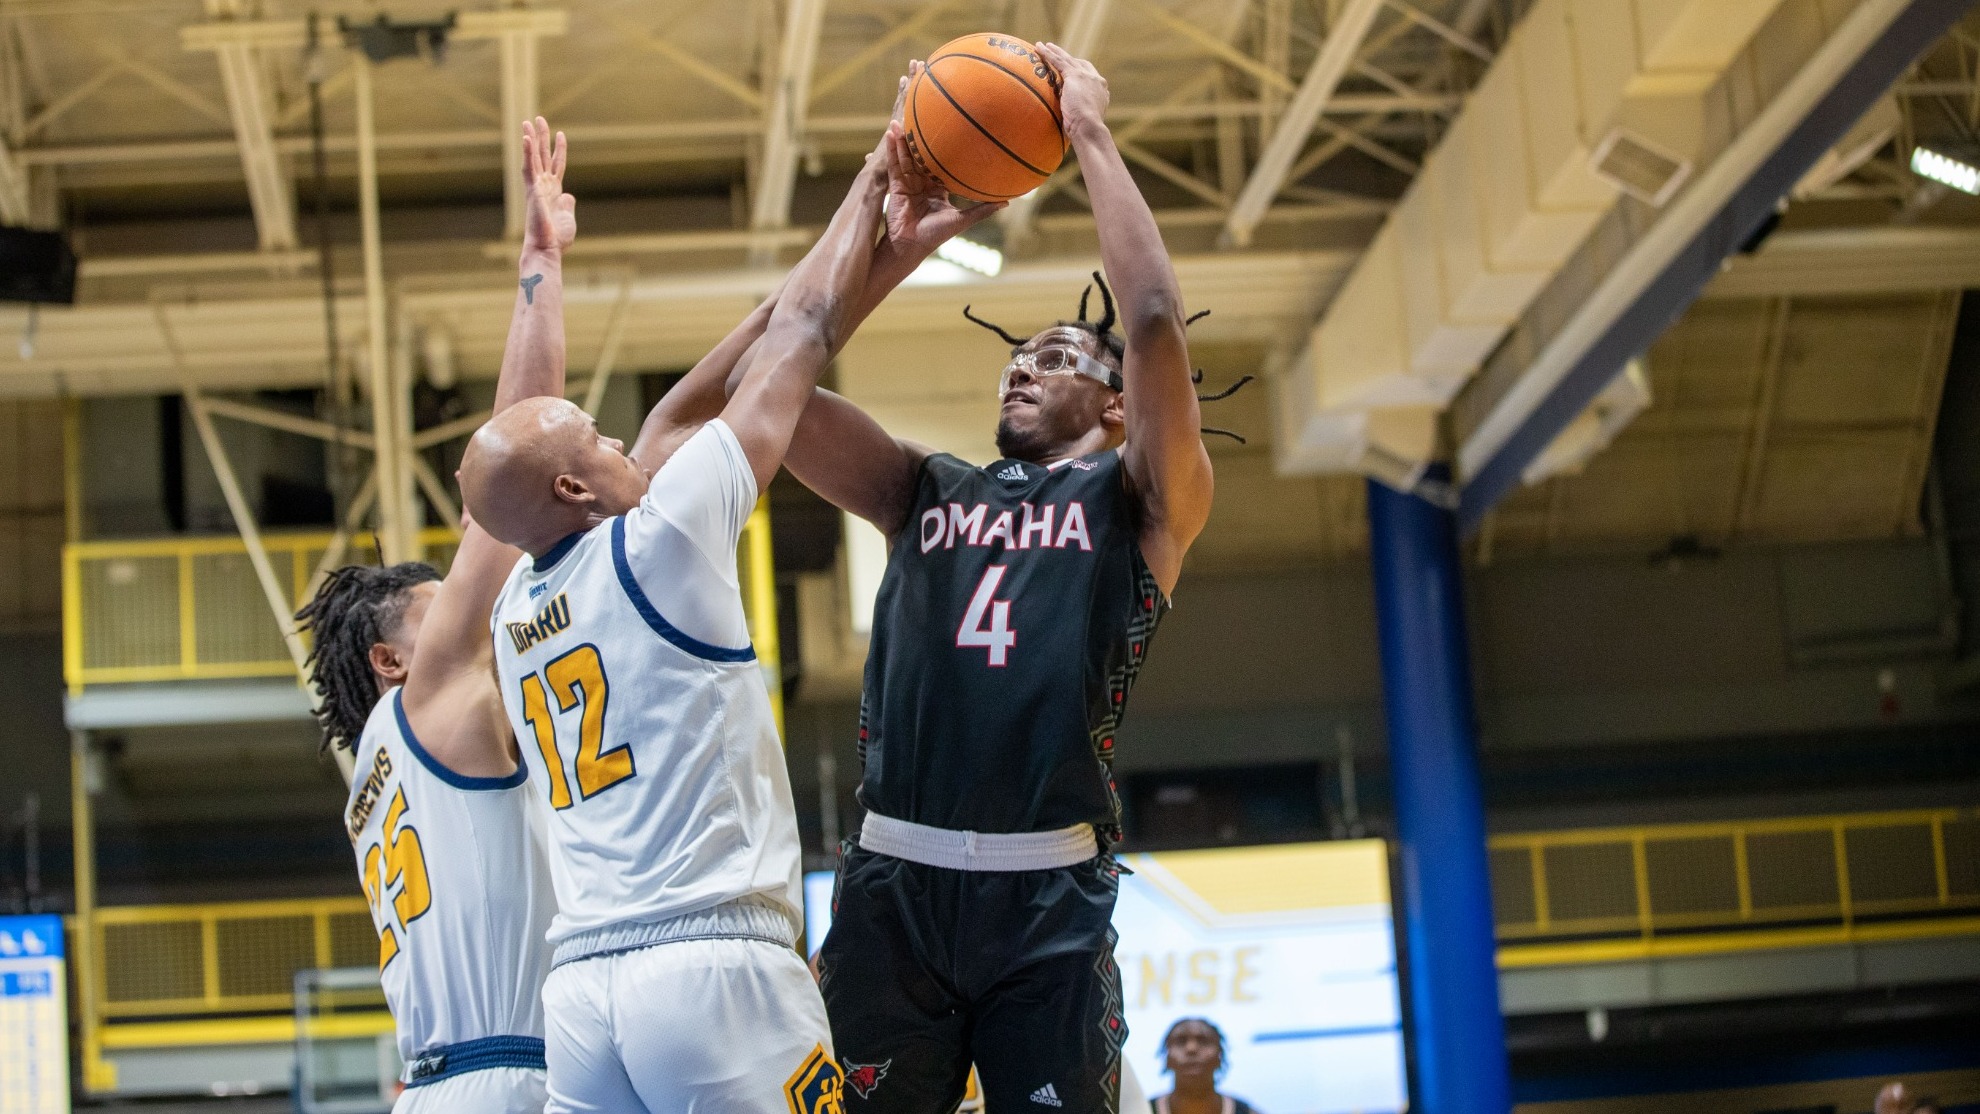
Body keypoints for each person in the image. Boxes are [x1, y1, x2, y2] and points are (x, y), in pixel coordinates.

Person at [457, 102, 993, 1114]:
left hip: (583, 993)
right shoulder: (663, 538)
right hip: (711, 967)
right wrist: (876, 174)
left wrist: (888, 254)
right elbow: (795, 340)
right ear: (574, 489)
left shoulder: (515, 605)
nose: (624, 442)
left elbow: (698, 399)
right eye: (598, 441)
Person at [792, 43, 1224, 1114]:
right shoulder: (919, 486)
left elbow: (1155, 322)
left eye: (1057, 356)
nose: (1023, 365)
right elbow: (775, 386)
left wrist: (1088, 130)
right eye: (1014, 358)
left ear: (1117, 403)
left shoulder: (1143, 501)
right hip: (893, 885)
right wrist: (879, 213)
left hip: (1049, 893)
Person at [294, 117, 575, 1114]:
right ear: (390, 660)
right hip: (510, 1078)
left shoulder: (378, 780)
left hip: (435, 1084)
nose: (469, 612)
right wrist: (541, 266)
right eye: (439, 608)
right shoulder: (427, 706)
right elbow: (511, 465)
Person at [1151, 1019, 1260, 1114]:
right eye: (1181, 1041)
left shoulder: (1247, 1112)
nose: (1191, 1048)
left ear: (1220, 1056)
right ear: (1166, 1057)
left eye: (1203, 1041)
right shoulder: (1143, 1109)